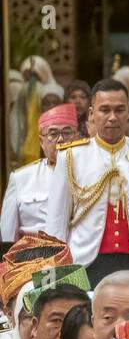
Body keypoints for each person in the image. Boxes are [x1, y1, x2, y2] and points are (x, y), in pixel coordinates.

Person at [44, 79, 129, 285]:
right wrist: (52, 280)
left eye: (119, 110)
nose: (113, 117)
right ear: (91, 113)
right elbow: (56, 223)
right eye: (105, 110)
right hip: (84, 264)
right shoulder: (70, 156)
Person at [1, 103, 80, 240]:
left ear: (77, 137)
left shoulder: (89, 174)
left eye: (67, 132)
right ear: (41, 141)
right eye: (53, 134)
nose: (60, 139)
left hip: (79, 257)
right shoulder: (21, 178)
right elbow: (8, 236)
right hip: (33, 257)